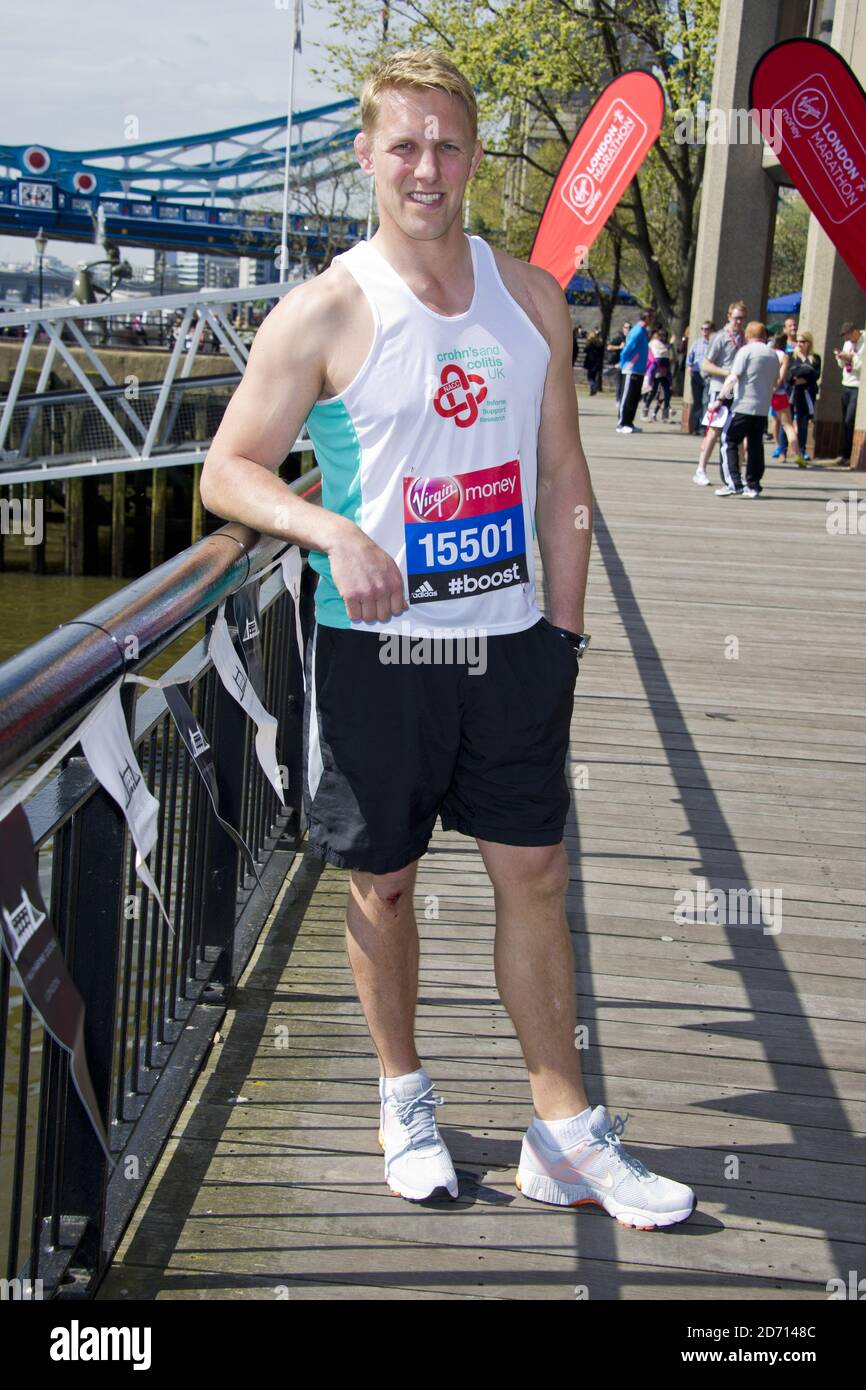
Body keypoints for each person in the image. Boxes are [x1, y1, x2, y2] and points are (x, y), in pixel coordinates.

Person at [199, 47, 695, 1228]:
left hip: (510, 640)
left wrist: (560, 634)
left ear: (473, 159)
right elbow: (227, 469)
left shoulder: (527, 296)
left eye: (447, 145)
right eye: (402, 145)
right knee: (383, 884)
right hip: (378, 651)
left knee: (535, 872)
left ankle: (564, 1132)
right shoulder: (324, 307)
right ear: (367, 158)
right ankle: (401, 1097)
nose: (426, 167)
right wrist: (331, 530)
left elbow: (563, 473)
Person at [715, 321, 780, 497]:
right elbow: (776, 381)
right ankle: (753, 484)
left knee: (728, 440)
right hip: (761, 408)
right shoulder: (773, 355)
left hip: (743, 405)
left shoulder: (745, 351)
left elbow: (733, 377)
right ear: (765, 336)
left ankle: (733, 482)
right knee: (755, 445)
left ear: (747, 335)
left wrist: (719, 400)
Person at [693, 302, 746, 486]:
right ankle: (701, 469)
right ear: (729, 317)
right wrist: (727, 373)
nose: (739, 321)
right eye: (736, 318)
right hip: (719, 389)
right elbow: (705, 365)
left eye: (742, 318)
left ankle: (737, 474)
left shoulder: (745, 338)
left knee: (737, 432)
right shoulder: (720, 337)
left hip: (738, 391)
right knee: (714, 431)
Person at [768, 331, 806, 467]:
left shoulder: (767, 353)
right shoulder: (783, 356)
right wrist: (775, 387)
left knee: (752, 422)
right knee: (788, 425)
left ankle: (744, 454)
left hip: (762, 391)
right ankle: (798, 456)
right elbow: (781, 376)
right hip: (778, 393)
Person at [788, 330, 821, 462]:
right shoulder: (791, 356)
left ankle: (801, 450)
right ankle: (783, 450)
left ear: (809, 343)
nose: (800, 344)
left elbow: (815, 375)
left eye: (803, 341)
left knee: (803, 421)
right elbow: (789, 376)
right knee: (788, 421)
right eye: (798, 341)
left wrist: (801, 375)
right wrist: (804, 372)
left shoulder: (815, 358)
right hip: (792, 392)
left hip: (807, 393)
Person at [616, 311, 651, 433]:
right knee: (626, 397)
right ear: (646, 318)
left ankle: (629, 423)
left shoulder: (643, 331)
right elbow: (628, 348)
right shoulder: (637, 331)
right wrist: (623, 362)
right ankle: (621, 423)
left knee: (634, 398)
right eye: (651, 317)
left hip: (639, 369)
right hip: (631, 368)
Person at [834, 321, 862, 464]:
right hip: (846, 383)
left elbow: (862, 366)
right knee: (845, 420)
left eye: (848, 336)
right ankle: (845, 454)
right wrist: (841, 358)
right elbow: (843, 365)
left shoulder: (863, 343)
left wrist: (851, 358)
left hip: (857, 386)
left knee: (849, 420)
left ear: (855, 332)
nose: (847, 340)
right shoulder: (848, 344)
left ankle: (849, 454)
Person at [686, 320, 713, 434]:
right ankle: (694, 427)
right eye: (702, 329)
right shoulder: (697, 343)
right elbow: (690, 357)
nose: (704, 331)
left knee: (706, 401)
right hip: (697, 374)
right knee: (697, 401)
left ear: (711, 330)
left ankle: (703, 427)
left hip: (708, 375)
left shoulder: (713, 343)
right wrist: (689, 367)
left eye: (706, 329)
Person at [641, 326, 672, 421]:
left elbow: (665, 351)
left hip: (664, 370)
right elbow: (652, 357)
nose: (662, 337)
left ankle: (665, 412)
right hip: (657, 370)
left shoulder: (663, 344)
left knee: (667, 391)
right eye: (660, 335)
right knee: (653, 390)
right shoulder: (653, 343)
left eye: (664, 336)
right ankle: (646, 408)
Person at [607, 319, 630, 404]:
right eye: (626, 327)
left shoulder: (632, 338)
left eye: (630, 327)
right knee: (619, 383)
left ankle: (623, 400)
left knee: (625, 384)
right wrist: (619, 347)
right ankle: (618, 400)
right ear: (623, 328)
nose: (628, 329)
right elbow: (609, 347)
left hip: (628, 365)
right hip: (618, 364)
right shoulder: (619, 338)